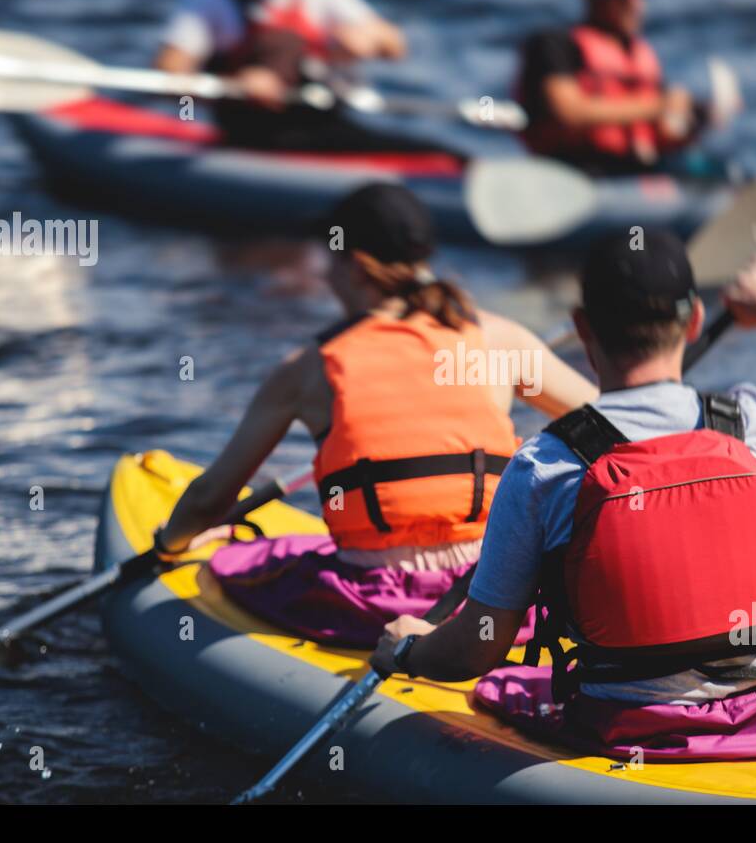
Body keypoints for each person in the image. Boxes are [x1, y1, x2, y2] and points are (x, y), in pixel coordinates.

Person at [372, 230, 756, 760]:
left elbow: (474, 650)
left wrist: (409, 649)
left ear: (582, 328)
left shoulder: (543, 464)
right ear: (693, 322)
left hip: (632, 727)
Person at [153, 184, 597, 647]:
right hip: (495, 598)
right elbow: (616, 426)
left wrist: (169, 545)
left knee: (238, 563)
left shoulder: (309, 368)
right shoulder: (499, 339)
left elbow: (209, 498)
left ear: (358, 267)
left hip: (371, 603)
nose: (326, 277)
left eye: (332, 261)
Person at [155, 0, 453, 155]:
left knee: (437, 153)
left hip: (321, 126)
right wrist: (234, 85)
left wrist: (368, 38)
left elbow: (395, 45)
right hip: (255, 135)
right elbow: (169, 73)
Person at [514, 0, 743, 175]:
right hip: (574, 174)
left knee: (722, 171)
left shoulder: (642, 56)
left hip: (637, 178)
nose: (635, 6)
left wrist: (700, 118)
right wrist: (661, 106)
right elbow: (568, 112)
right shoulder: (554, 45)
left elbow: (662, 136)